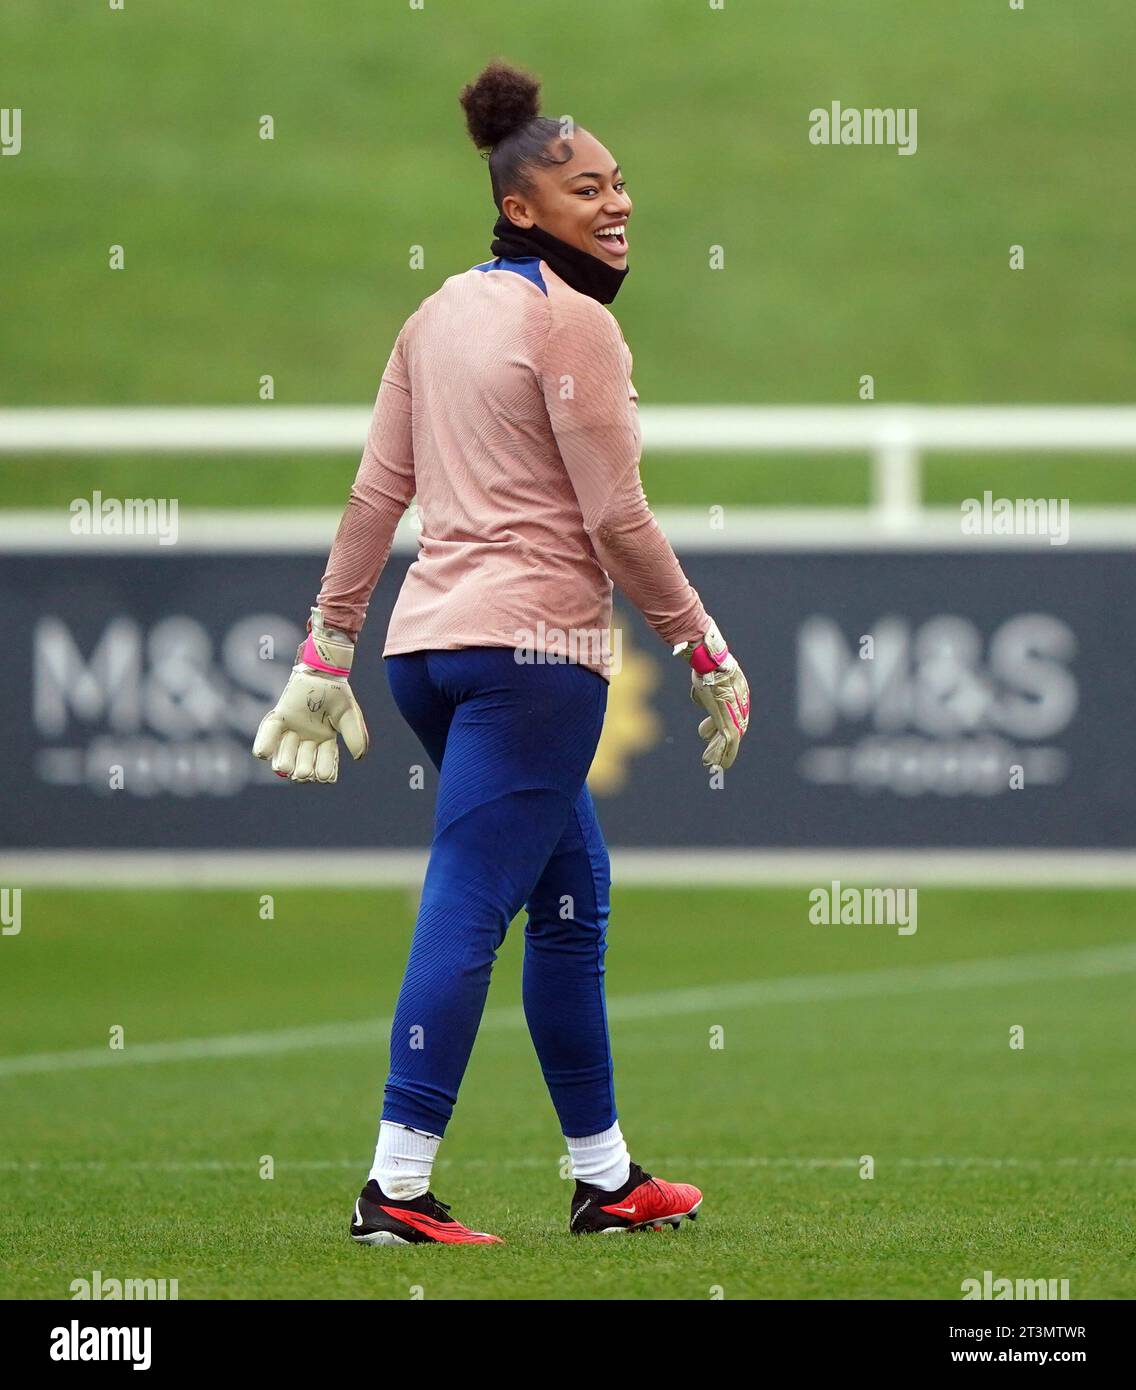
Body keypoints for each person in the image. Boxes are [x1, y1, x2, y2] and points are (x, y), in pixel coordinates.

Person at [253, 60, 750, 1245]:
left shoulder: (433, 314)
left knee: (569, 902)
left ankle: (607, 1177)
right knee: (470, 905)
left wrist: (331, 647)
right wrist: (702, 647)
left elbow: (379, 494)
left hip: (429, 652)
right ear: (521, 209)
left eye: (620, 183)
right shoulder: (567, 319)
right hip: (532, 657)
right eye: (587, 189)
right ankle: (397, 1187)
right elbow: (615, 521)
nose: (617, 204)